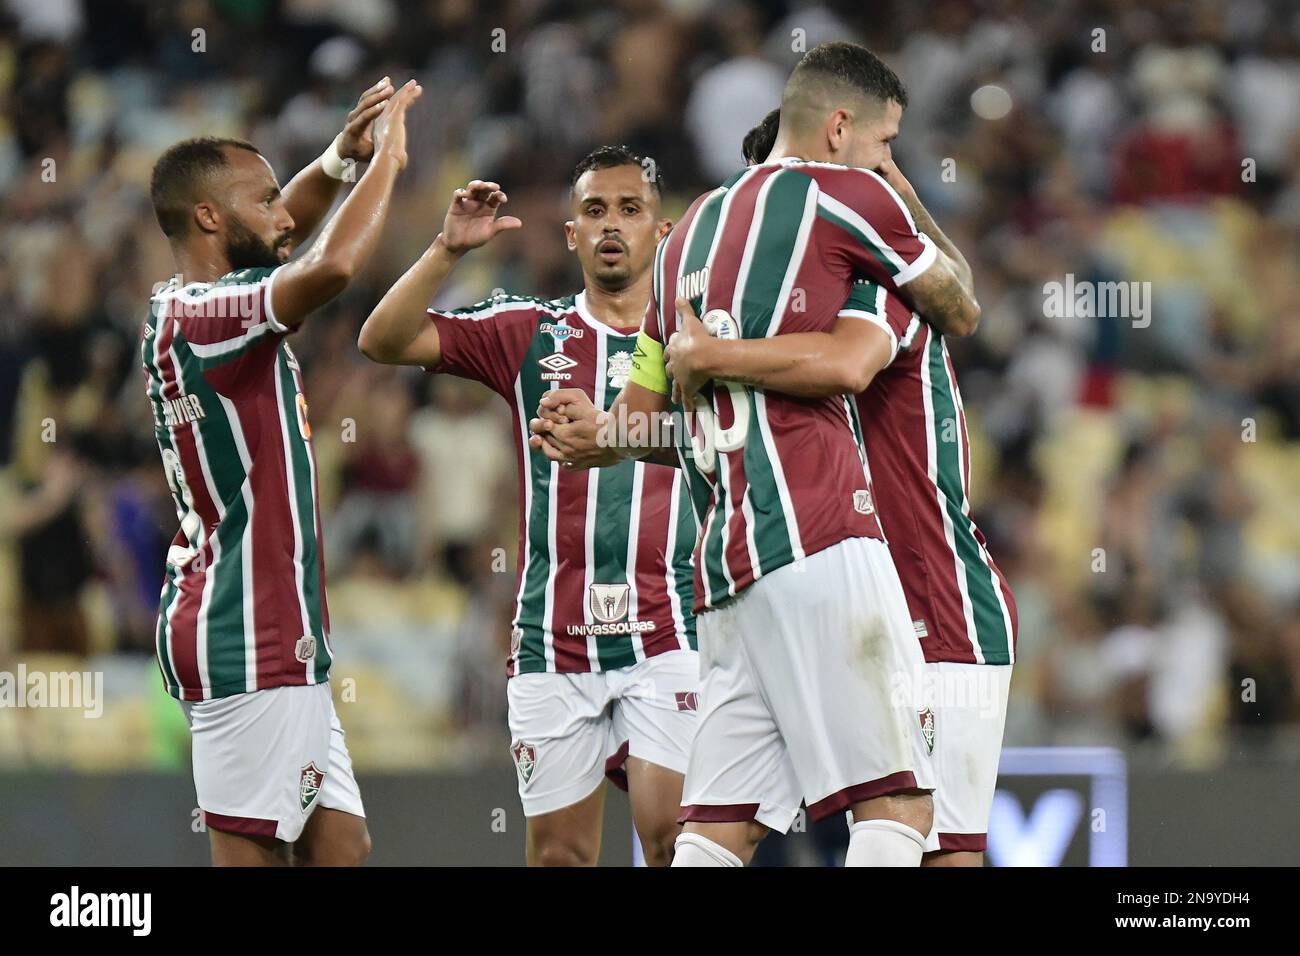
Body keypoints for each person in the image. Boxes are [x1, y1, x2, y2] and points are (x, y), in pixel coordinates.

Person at [534, 41, 982, 867]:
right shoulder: (850, 199)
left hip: (725, 570)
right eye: (886, 144)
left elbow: (640, 423)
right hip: (821, 537)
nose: (887, 162)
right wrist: (909, 206)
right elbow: (959, 307)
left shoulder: (679, 241)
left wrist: (597, 436)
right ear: (841, 128)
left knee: (720, 823)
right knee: (900, 803)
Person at [357, 146, 699, 867]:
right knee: (558, 858)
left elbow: (728, 440)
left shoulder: (697, 340)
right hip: (554, 634)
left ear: (661, 232)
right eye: (594, 211)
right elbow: (381, 338)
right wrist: (447, 249)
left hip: (671, 629)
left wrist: (616, 432)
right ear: (570, 233)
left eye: (630, 210)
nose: (612, 225)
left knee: (672, 837)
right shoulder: (527, 330)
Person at [142, 76, 423, 865]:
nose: (284, 217)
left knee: (341, 849)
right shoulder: (213, 313)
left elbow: (288, 234)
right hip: (245, 631)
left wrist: (339, 157)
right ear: (209, 217)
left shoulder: (199, 306)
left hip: (279, 631)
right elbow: (329, 267)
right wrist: (387, 164)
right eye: (263, 200)